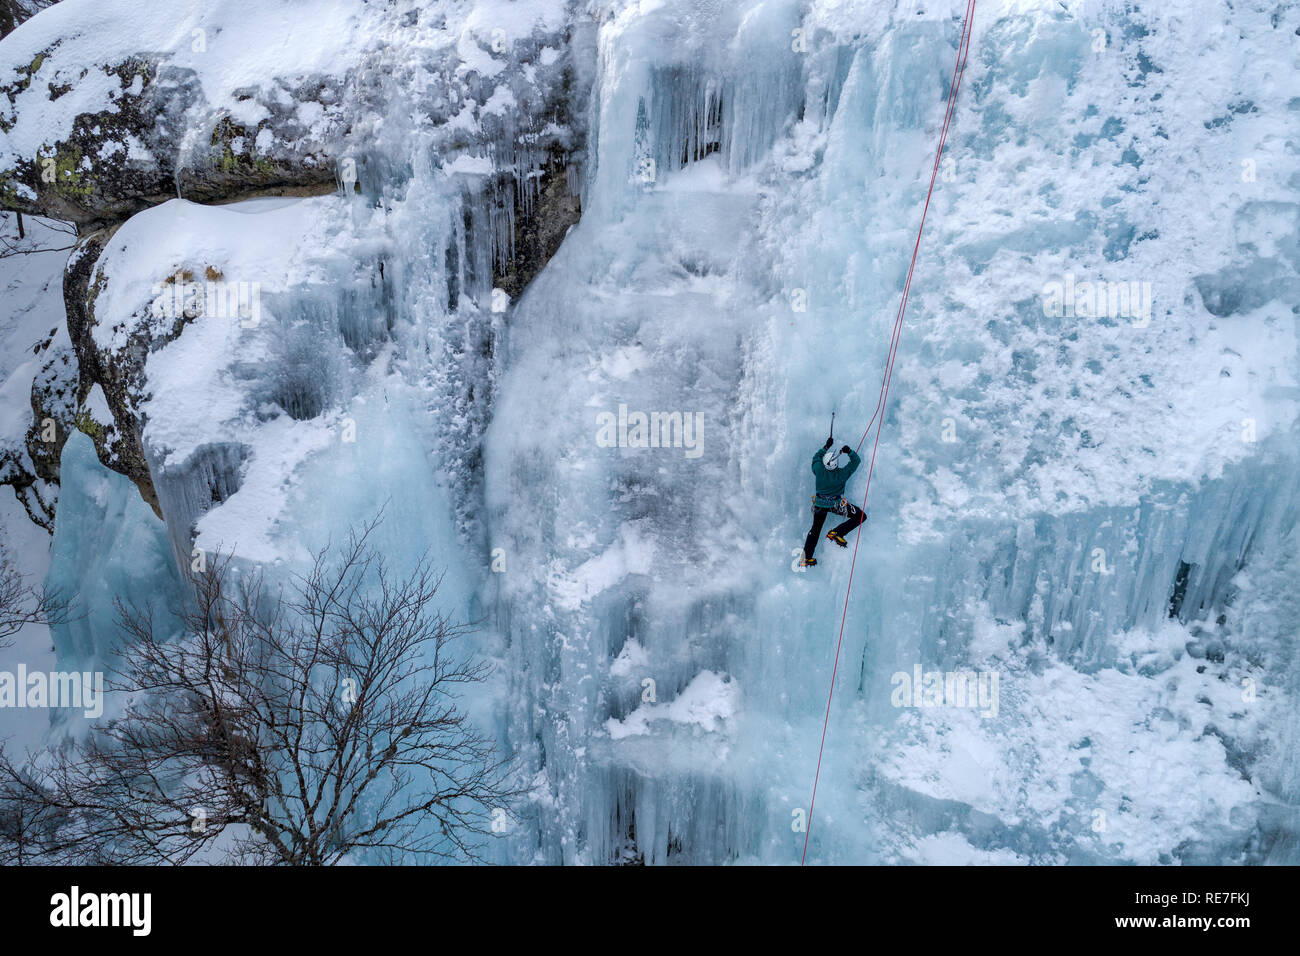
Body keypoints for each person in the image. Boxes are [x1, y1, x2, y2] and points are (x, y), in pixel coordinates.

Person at [801, 436, 866, 567]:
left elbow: (816, 459)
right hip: (836, 505)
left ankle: (806, 558)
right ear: (836, 464)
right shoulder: (842, 474)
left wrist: (826, 447)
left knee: (815, 529)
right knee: (860, 516)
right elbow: (856, 461)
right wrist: (849, 452)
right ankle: (837, 532)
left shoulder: (818, 470)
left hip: (819, 505)